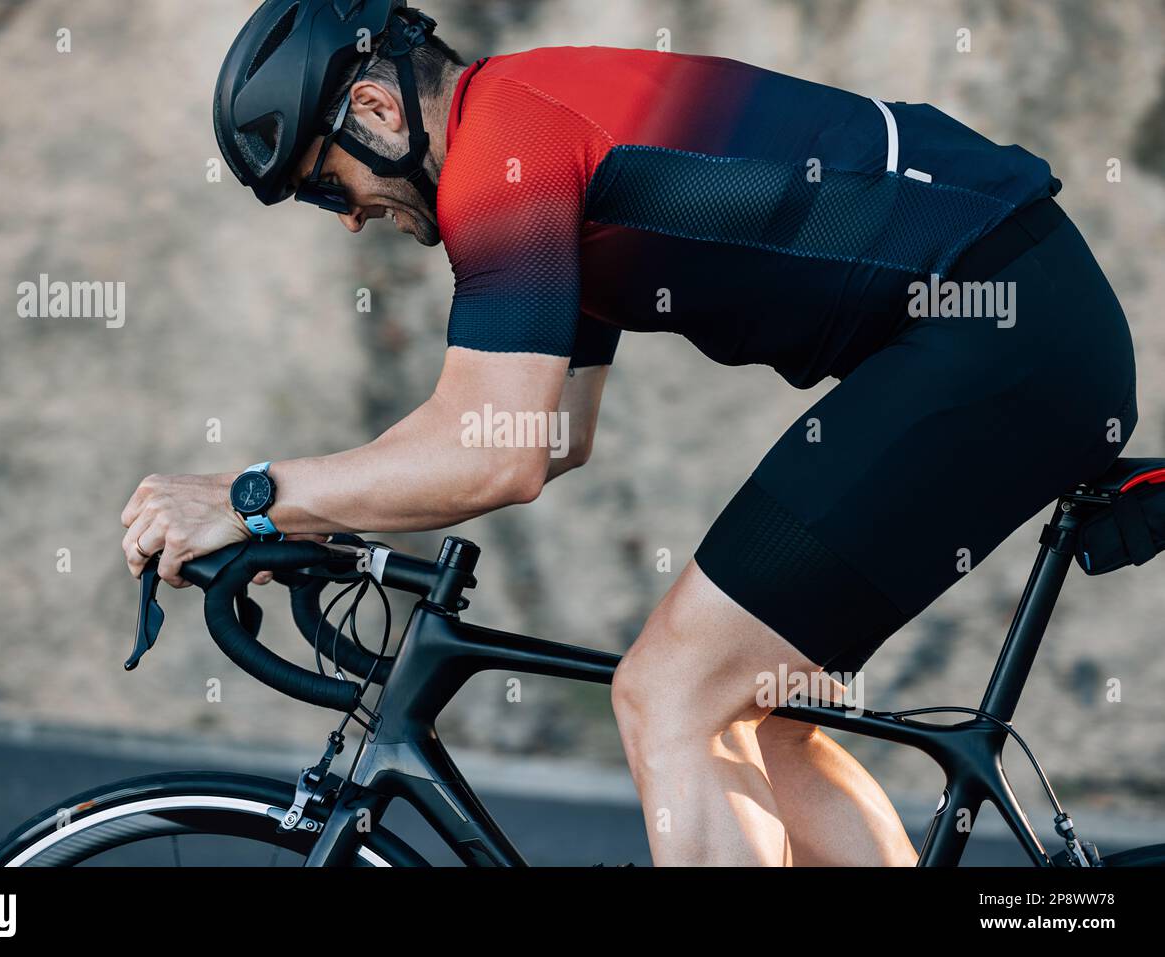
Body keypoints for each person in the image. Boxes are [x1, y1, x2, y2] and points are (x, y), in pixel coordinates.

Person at [122, 0, 1137, 866]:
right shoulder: (538, 131)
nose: (342, 216)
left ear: (378, 110)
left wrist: (246, 498)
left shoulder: (506, 149)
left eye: (321, 182)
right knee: (753, 708)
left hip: (994, 319)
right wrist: (301, 520)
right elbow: (549, 434)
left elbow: (496, 448)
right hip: (1015, 316)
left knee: (672, 692)